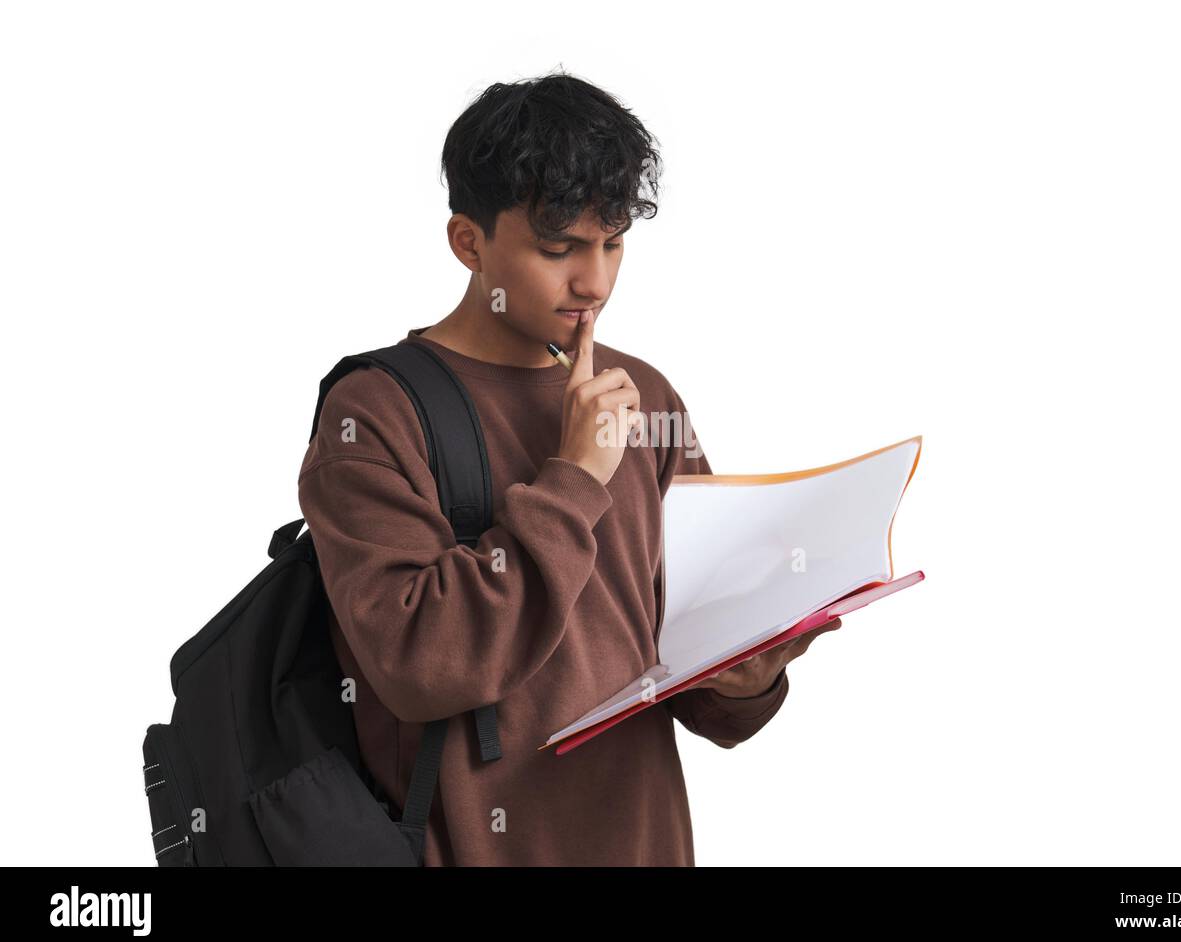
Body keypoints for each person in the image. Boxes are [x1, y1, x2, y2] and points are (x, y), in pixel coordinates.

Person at [297, 70, 842, 866]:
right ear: (468, 242)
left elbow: (696, 675)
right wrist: (575, 477)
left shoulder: (644, 395)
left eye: (613, 242)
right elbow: (419, 662)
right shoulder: (376, 412)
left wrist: (745, 676)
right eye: (559, 249)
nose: (595, 282)